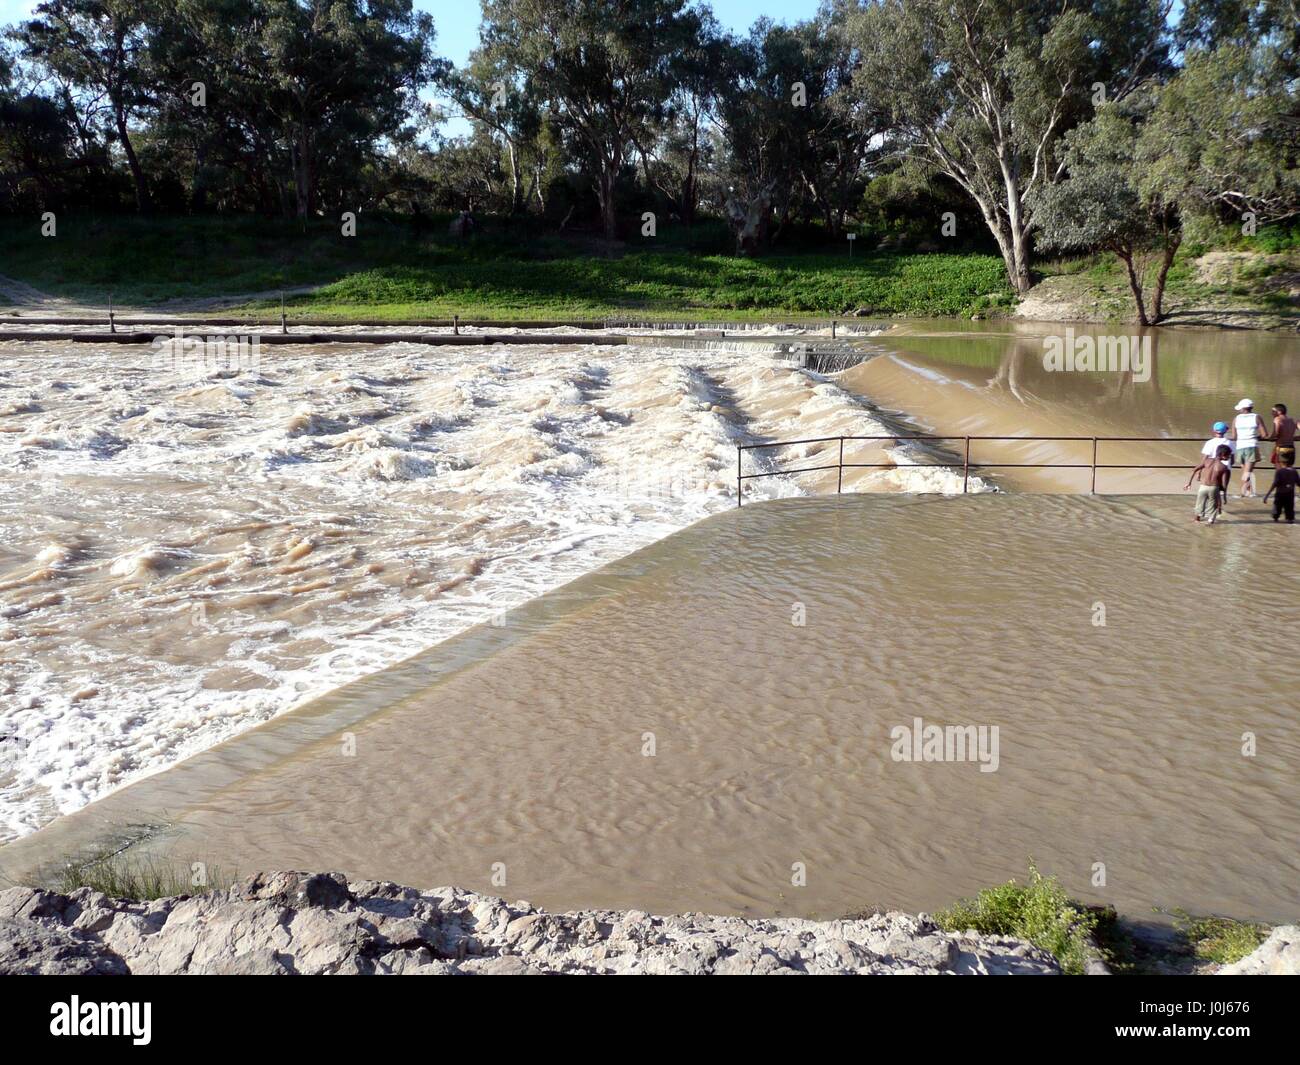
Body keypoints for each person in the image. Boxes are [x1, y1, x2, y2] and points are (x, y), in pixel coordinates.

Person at [1228, 399, 1268, 498]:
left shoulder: (1236, 419)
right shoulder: (1257, 417)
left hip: (1240, 447)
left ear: (1243, 408)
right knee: (1247, 472)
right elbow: (1264, 434)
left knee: (1245, 472)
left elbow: (1234, 437)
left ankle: (1248, 492)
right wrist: (1255, 437)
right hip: (1252, 446)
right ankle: (1244, 493)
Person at [1186, 444, 1232, 523]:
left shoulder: (1207, 461)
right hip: (1214, 488)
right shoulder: (1224, 467)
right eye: (1229, 455)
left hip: (1203, 487)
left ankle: (1197, 519)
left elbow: (1194, 470)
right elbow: (1224, 485)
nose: (1229, 457)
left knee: (1199, 505)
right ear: (1223, 455)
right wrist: (1224, 496)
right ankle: (1210, 521)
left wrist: (1189, 483)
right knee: (1213, 506)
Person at [1263, 452, 1298, 523]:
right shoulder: (1294, 472)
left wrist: (1267, 495)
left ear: (1281, 463)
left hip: (1280, 494)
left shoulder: (1280, 472)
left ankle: (1276, 520)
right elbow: (1299, 483)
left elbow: (1275, 484)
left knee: (1276, 511)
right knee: (1289, 511)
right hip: (1290, 495)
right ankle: (1289, 520)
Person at [1269, 403, 1297, 468]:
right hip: (1291, 447)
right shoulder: (1291, 420)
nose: (1272, 413)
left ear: (1279, 412)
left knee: (1280, 470)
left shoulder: (1277, 419)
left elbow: (1276, 433)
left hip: (1282, 448)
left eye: (1273, 411)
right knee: (1289, 468)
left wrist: (1270, 438)